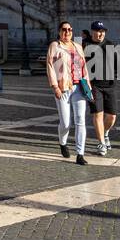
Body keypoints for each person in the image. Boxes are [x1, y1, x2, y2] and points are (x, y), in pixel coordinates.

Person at [47, 21, 89, 165]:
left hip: (79, 88)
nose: (67, 32)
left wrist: (87, 85)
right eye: (64, 30)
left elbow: (84, 68)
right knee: (66, 123)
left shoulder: (78, 46)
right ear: (59, 31)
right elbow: (50, 66)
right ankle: (63, 142)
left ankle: (80, 153)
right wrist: (55, 87)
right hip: (63, 87)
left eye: (70, 29)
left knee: (80, 121)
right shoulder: (55, 46)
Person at [85, 21, 120, 156]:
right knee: (97, 114)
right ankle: (101, 143)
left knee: (112, 116)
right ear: (92, 31)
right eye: (98, 31)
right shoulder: (85, 45)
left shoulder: (110, 45)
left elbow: (118, 64)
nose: (100, 34)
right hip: (94, 85)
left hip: (110, 85)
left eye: (103, 31)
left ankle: (105, 134)